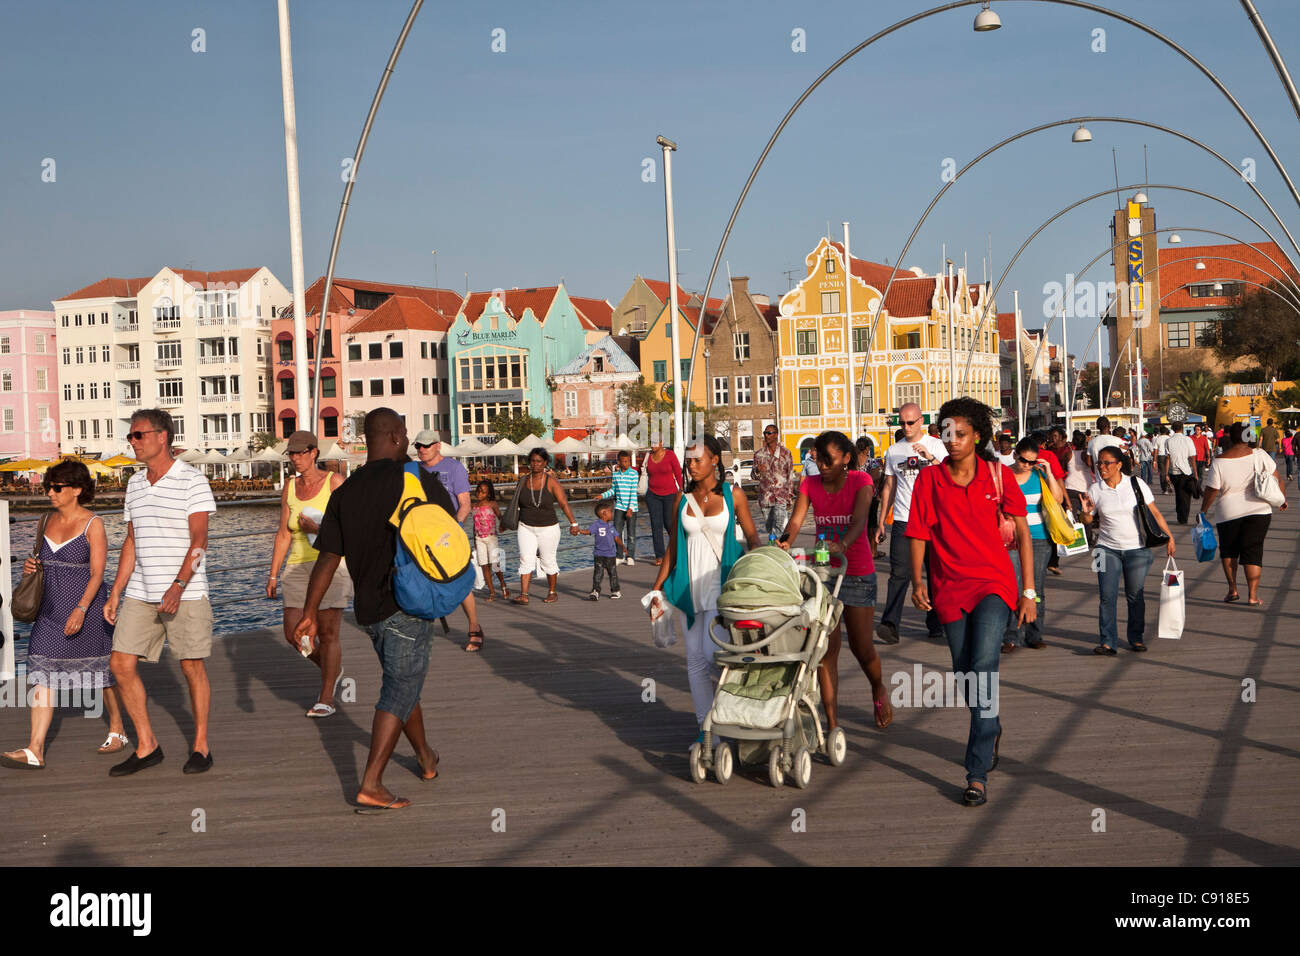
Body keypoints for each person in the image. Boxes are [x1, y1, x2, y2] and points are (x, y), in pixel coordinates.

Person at [295, 408, 457, 812]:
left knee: (403, 679)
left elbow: (328, 557)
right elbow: (448, 525)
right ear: (399, 435)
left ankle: (426, 758)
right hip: (409, 601)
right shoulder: (415, 479)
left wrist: (310, 611)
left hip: (367, 609)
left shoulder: (344, 492)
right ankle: (371, 783)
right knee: (400, 686)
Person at [907, 398, 1036, 807]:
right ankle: (991, 726)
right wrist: (917, 579)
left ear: (977, 436)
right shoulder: (929, 480)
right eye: (946, 432)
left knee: (982, 667)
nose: (952, 439)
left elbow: (1023, 534)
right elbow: (918, 533)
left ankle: (976, 773)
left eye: (960, 433)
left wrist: (1029, 591)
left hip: (995, 585)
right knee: (966, 675)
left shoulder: (998, 476)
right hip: (949, 588)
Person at [103, 408, 217, 776]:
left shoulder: (192, 480)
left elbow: (200, 540)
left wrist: (179, 584)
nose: (132, 442)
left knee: (190, 666)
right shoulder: (135, 484)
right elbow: (132, 541)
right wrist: (116, 592)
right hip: (140, 589)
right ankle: (147, 745)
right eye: (131, 436)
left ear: (162, 436)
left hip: (185, 589)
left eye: (138, 435)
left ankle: (200, 745)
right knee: (120, 663)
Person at [2, 462, 124, 770]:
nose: (50, 493)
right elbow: (40, 560)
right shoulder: (45, 520)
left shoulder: (92, 524)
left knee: (101, 672)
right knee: (41, 667)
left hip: (86, 606)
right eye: (48, 487)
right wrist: (31, 565)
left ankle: (118, 728)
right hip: (49, 608)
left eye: (57, 488)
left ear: (78, 490)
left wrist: (81, 609)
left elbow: (97, 573)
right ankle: (35, 749)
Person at [779, 430, 892, 731]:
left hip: (856, 572)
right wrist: (785, 541)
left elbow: (858, 520)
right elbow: (796, 520)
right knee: (826, 650)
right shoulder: (810, 483)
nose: (823, 465)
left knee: (862, 647)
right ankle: (831, 723)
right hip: (822, 575)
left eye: (829, 459)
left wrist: (842, 544)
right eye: (819, 458)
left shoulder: (861, 481)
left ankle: (877, 687)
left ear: (845, 458)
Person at [650, 434, 759, 740]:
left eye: (698, 459)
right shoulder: (681, 500)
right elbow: (673, 545)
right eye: (688, 460)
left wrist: (758, 570)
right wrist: (658, 589)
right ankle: (706, 729)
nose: (691, 465)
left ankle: (730, 713)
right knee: (695, 660)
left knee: (715, 656)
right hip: (688, 588)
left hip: (722, 586)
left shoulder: (733, 495)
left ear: (714, 460)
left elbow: (752, 537)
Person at [266, 430, 352, 715]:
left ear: (315, 452)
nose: (295, 458)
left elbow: (351, 529)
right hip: (297, 566)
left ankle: (326, 697)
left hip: (331, 563)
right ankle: (332, 669)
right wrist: (273, 574)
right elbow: (283, 533)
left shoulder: (335, 483)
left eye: (301, 453)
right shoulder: (289, 487)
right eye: (292, 454)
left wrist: (319, 529)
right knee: (293, 633)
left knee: (327, 633)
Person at [1078, 445, 1175, 654]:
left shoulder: (1135, 483)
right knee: (1106, 596)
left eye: (1107, 463)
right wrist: (1085, 513)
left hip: (1137, 549)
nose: (1102, 467)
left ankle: (1136, 638)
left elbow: (1154, 512)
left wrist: (1170, 537)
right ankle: (1107, 641)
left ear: (1119, 464)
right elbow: (1087, 519)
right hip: (1105, 549)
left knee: (1135, 595)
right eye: (1099, 463)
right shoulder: (1095, 489)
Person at [875, 402, 948, 643]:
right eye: (902, 422)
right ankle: (890, 624)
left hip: (934, 520)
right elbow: (889, 486)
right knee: (899, 573)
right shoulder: (894, 451)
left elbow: (950, 476)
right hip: (905, 520)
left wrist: (932, 458)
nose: (905, 427)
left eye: (910, 422)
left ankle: (936, 621)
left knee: (935, 573)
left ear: (921, 421)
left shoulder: (938, 445)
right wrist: (881, 521)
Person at [1201, 422, 1288, 606]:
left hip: (1228, 512)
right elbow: (1277, 478)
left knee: (1228, 551)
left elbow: (1212, 490)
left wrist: (1203, 510)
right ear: (1249, 437)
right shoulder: (1260, 455)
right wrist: (1282, 499)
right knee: (1253, 552)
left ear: (1230, 438)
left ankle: (1232, 590)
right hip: (1259, 511)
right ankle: (1253, 596)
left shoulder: (1219, 461)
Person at [413, 431, 484, 651]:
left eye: (426, 446)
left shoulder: (454, 468)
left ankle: (474, 626)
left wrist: (455, 526)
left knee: (458, 579)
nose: (421, 450)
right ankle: (422, 632)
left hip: (449, 533)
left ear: (438, 446)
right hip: (422, 534)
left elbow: (465, 504)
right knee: (421, 582)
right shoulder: (414, 470)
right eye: (418, 446)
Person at [1002, 438, 1065, 651]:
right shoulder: (1003, 474)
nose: (1026, 465)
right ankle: (1012, 636)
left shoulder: (1039, 475)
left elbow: (1057, 499)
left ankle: (1034, 634)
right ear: (1015, 455)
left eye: (1031, 461)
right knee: (1015, 586)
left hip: (1039, 537)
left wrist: (1048, 471)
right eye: (1023, 460)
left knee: (1036, 587)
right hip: (1011, 538)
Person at [511, 447, 581, 604]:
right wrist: (504, 522)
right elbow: (515, 504)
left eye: (538, 461)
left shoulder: (552, 483)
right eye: (532, 461)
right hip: (526, 526)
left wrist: (573, 523)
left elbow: (563, 503)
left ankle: (552, 592)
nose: (535, 464)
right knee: (525, 559)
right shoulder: (523, 481)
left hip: (548, 528)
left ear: (545, 463)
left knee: (547, 561)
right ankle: (524, 594)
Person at [643, 436, 682, 566]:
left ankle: (678, 551)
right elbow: (641, 471)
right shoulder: (648, 456)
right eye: (651, 442)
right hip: (653, 495)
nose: (652, 445)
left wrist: (680, 491)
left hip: (670, 494)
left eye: (655, 442)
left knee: (669, 523)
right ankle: (659, 555)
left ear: (661, 443)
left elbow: (678, 473)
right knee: (656, 525)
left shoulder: (670, 455)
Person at [752, 424, 795, 538]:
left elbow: (790, 475)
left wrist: (789, 496)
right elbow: (754, 476)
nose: (766, 435)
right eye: (765, 433)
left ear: (776, 435)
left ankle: (778, 549)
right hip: (766, 497)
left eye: (769, 433)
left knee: (779, 527)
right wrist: (757, 469)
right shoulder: (759, 455)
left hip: (781, 496)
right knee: (770, 529)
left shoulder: (786, 453)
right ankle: (777, 549)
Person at [599, 449, 640, 565]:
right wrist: (602, 495)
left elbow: (633, 492)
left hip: (631, 508)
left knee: (631, 534)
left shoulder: (633, 474)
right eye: (624, 461)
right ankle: (619, 555)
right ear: (619, 462)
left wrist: (630, 508)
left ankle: (630, 556)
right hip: (619, 508)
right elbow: (613, 490)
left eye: (628, 461)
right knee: (617, 532)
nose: (626, 463)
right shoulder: (616, 475)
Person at [472, 480, 509, 603]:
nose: (479, 494)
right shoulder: (474, 506)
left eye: (483, 492)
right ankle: (492, 592)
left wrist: (502, 526)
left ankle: (503, 585)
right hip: (479, 538)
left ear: (488, 494)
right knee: (483, 565)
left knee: (495, 564)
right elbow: (474, 524)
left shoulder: (492, 504)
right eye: (478, 491)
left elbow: (500, 517)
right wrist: (474, 541)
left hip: (491, 537)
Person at [578, 498, 623, 600]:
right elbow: (588, 531)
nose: (612, 514)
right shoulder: (596, 524)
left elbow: (616, 538)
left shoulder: (611, 525)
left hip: (611, 554)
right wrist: (579, 531)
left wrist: (622, 546)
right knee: (598, 573)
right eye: (610, 512)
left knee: (612, 573)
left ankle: (615, 590)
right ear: (603, 513)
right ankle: (595, 591)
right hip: (598, 554)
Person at [855, 436, 884, 555]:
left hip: (857, 496)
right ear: (867, 449)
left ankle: (862, 550)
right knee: (872, 523)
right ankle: (873, 550)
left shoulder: (853, 463)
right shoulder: (873, 462)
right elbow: (875, 479)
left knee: (859, 522)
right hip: (871, 496)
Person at [1164, 424, 1198, 524]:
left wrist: (1166, 474)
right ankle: (1183, 517)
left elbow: (1168, 458)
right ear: (1182, 428)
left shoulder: (1168, 441)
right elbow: (1192, 457)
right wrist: (1195, 473)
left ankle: (1180, 515)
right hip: (1186, 471)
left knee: (1179, 494)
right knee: (1186, 496)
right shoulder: (1188, 440)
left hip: (1174, 472)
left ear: (1172, 429)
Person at [1154, 426, 1171, 494]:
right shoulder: (1169, 438)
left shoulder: (1158, 439)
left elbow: (1155, 450)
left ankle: (1164, 489)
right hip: (1169, 456)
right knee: (1169, 471)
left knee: (1162, 473)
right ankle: (1169, 483)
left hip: (1160, 456)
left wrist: (1154, 461)